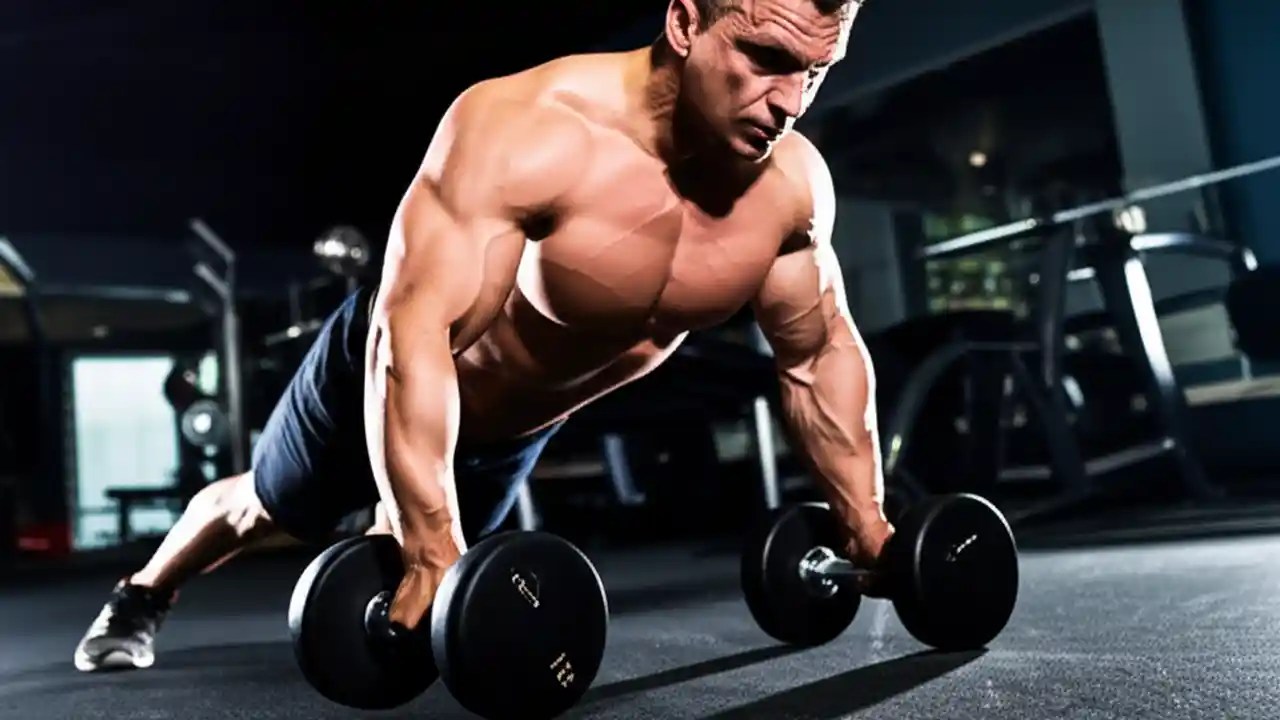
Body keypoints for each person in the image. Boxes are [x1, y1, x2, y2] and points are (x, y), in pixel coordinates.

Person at [75, 0, 891, 673]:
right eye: (765, 59)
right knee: (272, 508)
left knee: (429, 603)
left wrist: (869, 523)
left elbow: (817, 355)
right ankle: (143, 592)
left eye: (816, 73)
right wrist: (427, 539)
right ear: (683, 23)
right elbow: (415, 328)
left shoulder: (790, 192)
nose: (790, 102)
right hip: (387, 364)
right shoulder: (526, 127)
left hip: (510, 433)